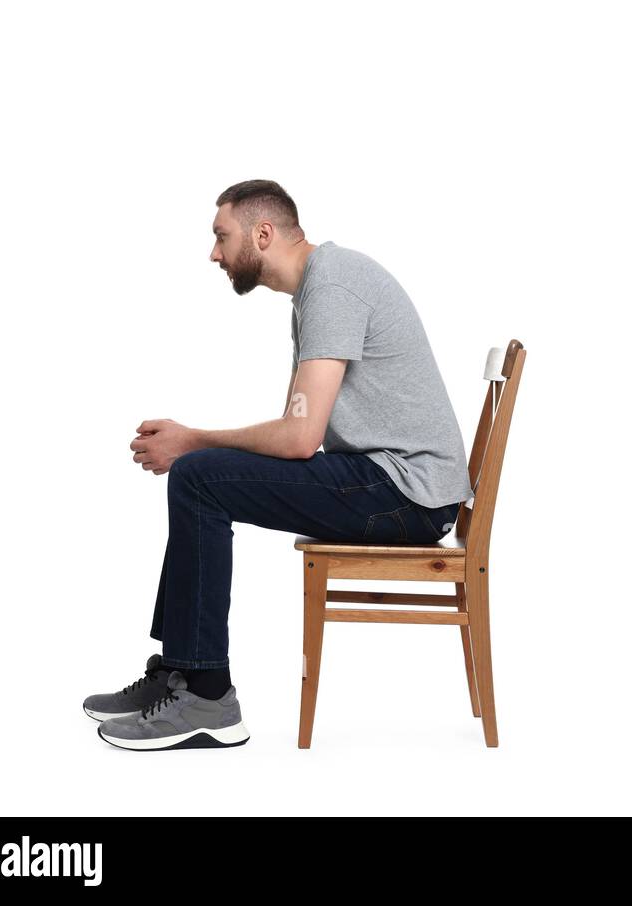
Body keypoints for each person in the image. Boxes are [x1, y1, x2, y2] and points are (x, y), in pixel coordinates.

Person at [83, 179, 474, 751]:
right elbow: (298, 430)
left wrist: (191, 441)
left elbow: (298, 438)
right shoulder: (320, 288)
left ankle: (207, 695)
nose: (214, 253)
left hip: (403, 493)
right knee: (204, 475)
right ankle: (181, 673)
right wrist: (202, 445)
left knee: (199, 478)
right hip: (392, 483)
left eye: (222, 236)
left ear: (262, 234)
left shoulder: (334, 286)